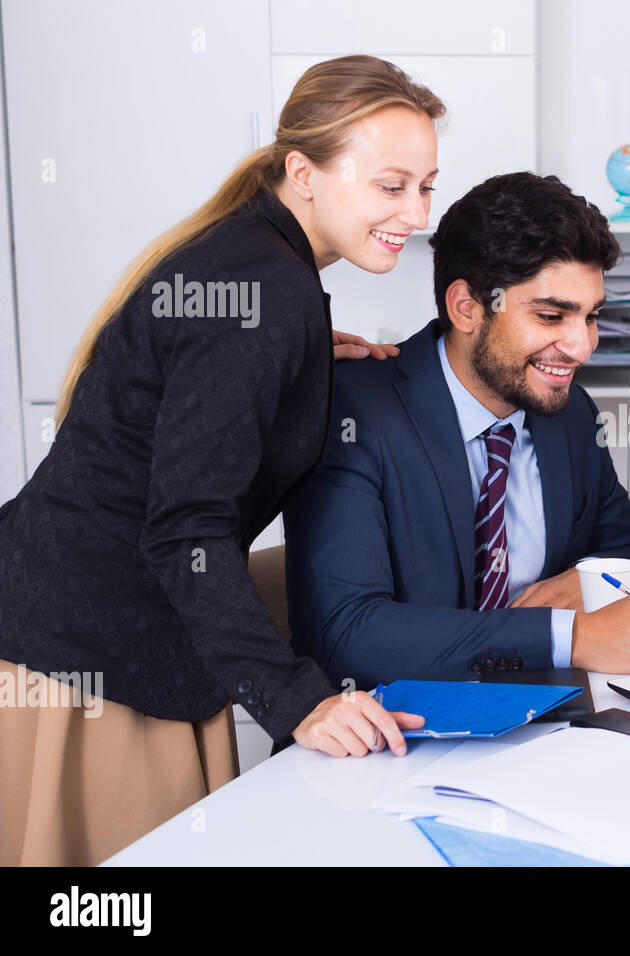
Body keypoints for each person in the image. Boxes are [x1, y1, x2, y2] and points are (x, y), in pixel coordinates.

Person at [0, 55, 443, 866]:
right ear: (303, 174)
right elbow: (185, 533)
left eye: (426, 187)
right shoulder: (265, 292)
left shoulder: (251, 261)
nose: (415, 213)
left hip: (65, 607)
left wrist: (296, 369)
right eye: (391, 186)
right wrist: (301, 703)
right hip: (93, 651)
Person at [284, 172, 630, 689]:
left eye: (591, 316)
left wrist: (590, 581)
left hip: (548, 715)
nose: (582, 347)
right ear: (467, 308)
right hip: (392, 725)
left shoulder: (569, 412)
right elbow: (347, 634)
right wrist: (567, 636)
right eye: (550, 316)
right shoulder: (351, 411)